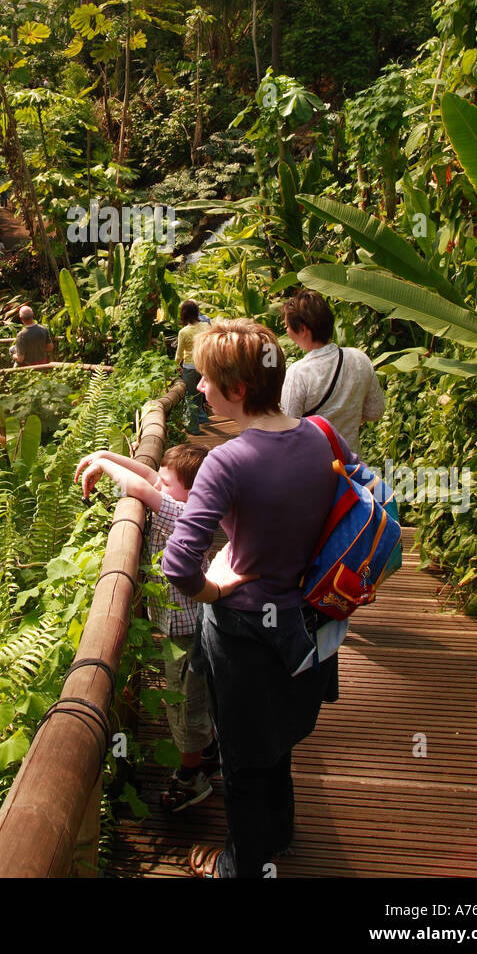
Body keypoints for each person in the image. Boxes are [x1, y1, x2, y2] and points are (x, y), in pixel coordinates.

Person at [161, 317, 360, 879]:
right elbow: (369, 499)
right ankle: (281, 833)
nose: (198, 389)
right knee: (283, 735)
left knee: (245, 756)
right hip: (311, 619)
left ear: (239, 389)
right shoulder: (323, 434)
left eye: (205, 380)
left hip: (246, 631)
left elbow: (178, 564)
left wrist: (216, 586)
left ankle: (240, 865)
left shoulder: (228, 461)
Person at [74, 442, 220, 812]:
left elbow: (140, 488)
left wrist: (103, 469)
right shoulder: (181, 499)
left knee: (184, 704)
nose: (160, 487)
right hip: (185, 625)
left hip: (186, 633)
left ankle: (190, 779)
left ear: (190, 491)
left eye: (168, 484)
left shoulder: (184, 511)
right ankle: (207, 751)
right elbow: (150, 477)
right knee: (192, 697)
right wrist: (104, 455)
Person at [280, 290, 385, 452]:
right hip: (351, 466)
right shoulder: (359, 359)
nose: (286, 330)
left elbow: (287, 431)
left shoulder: (299, 373)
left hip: (316, 470)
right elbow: (375, 411)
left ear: (303, 329)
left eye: (287, 326)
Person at [175, 300, 208, 434]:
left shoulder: (183, 332)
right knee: (199, 394)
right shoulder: (206, 326)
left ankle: (193, 427)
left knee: (190, 396)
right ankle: (202, 418)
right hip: (204, 366)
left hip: (190, 367)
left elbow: (179, 354)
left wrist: (175, 366)